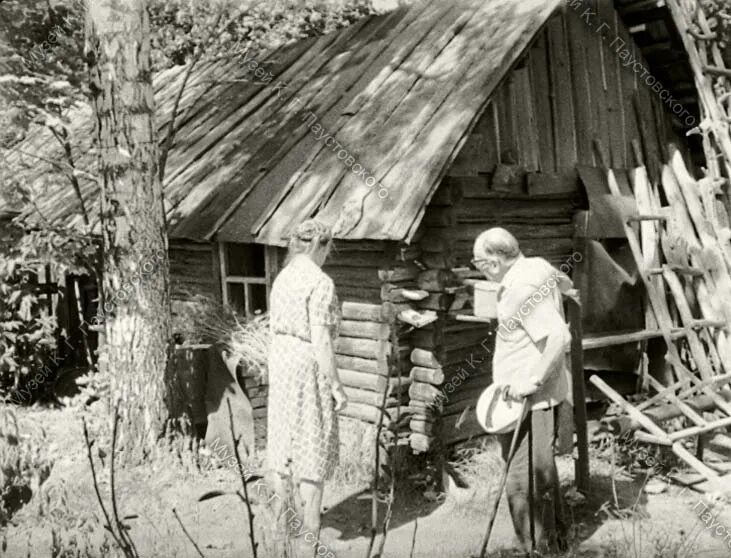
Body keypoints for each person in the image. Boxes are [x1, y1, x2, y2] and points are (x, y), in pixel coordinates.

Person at [472, 227, 572, 556]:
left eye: (478, 262)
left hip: (528, 399)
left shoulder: (520, 287)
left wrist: (533, 379)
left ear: (495, 262)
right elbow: (563, 281)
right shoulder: (537, 266)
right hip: (536, 396)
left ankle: (536, 549)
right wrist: (568, 292)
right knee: (541, 472)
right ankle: (555, 543)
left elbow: (558, 337)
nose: (477, 267)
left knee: (522, 479)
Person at [266, 219, 348, 552]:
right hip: (305, 363)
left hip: (281, 360)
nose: (328, 256)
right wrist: (337, 386)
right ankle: (309, 538)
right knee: (312, 444)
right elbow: (322, 341)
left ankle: (278, 535)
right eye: (328, 249)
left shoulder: (283, 277)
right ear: (318, 245)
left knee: (283, 443)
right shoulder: (320, 281)